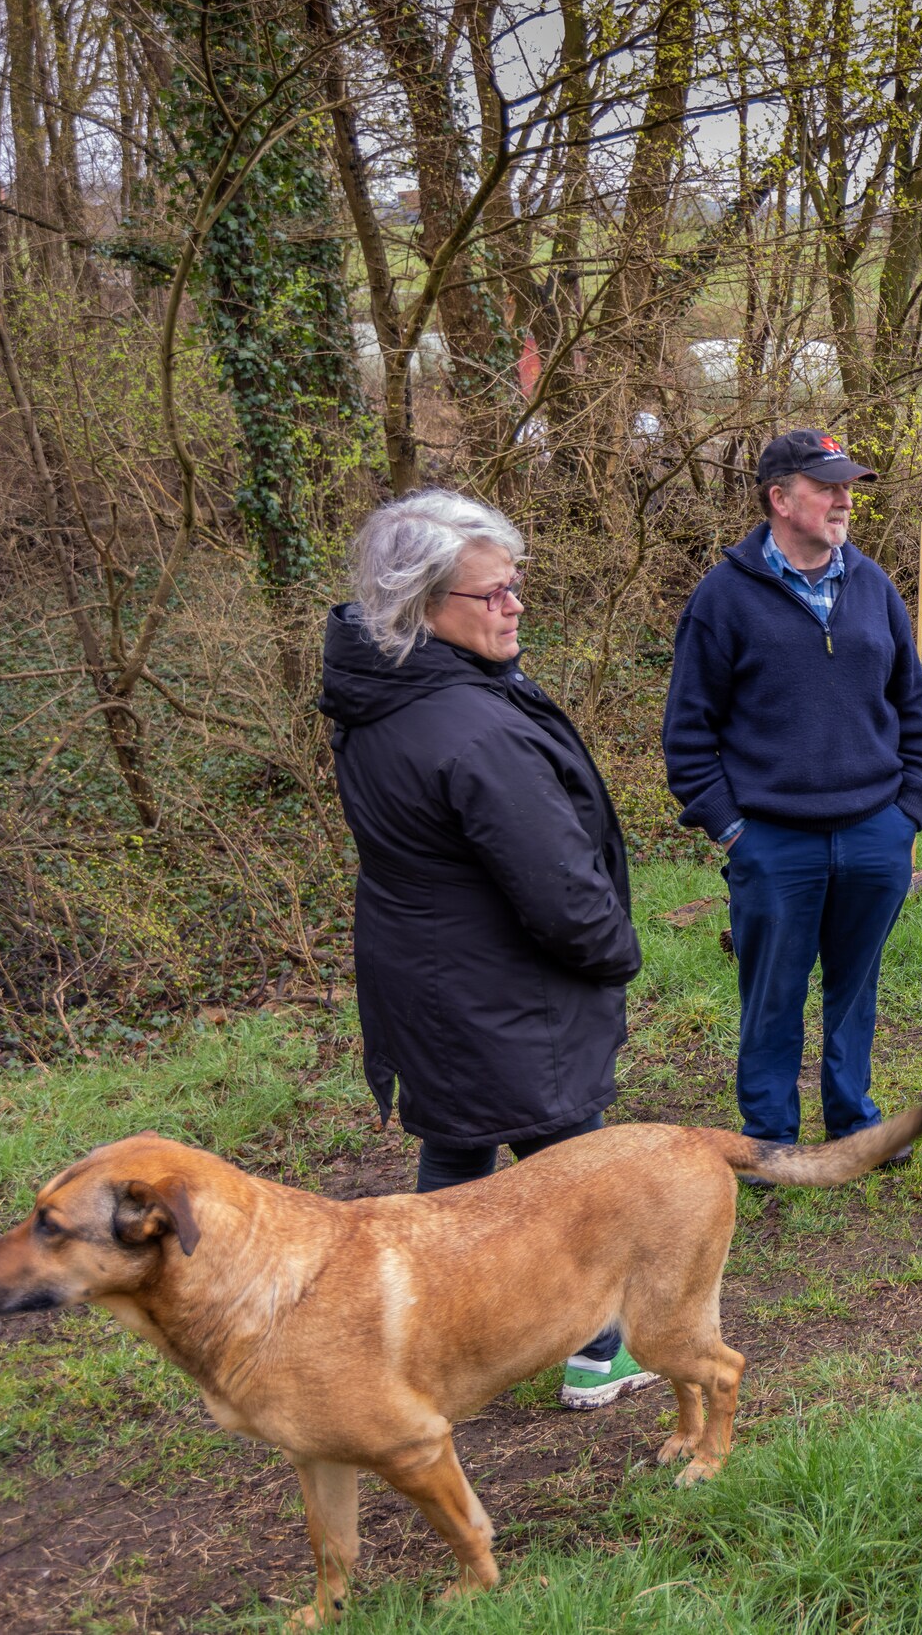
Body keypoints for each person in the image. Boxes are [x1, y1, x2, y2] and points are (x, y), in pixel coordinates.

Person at [318, 489, 654, 1411]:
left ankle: (417, 1345)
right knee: (580, 1179)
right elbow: (555, 883)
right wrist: (614, 952)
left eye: (516, 586)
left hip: (426, 980)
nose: (514, 606)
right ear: (423, 607)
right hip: (510, 991)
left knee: (456, 1157)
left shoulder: (381, 696)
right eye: (491, 594)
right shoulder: (470, 728)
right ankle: (599, 1350)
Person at [663, 431, 922, 1167]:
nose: (846, 500)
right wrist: (732, 832)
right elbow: (688, 734)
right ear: (779, 498)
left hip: (873, 832)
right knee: (773, 997)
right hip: (772, 842)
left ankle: (854, 1122)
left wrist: (909, 811)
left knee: (855, 991)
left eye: (849, 486)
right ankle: (769, 1142)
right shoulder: (723, 600)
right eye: (827, 487)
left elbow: (913, 707)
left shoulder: (873, 587)